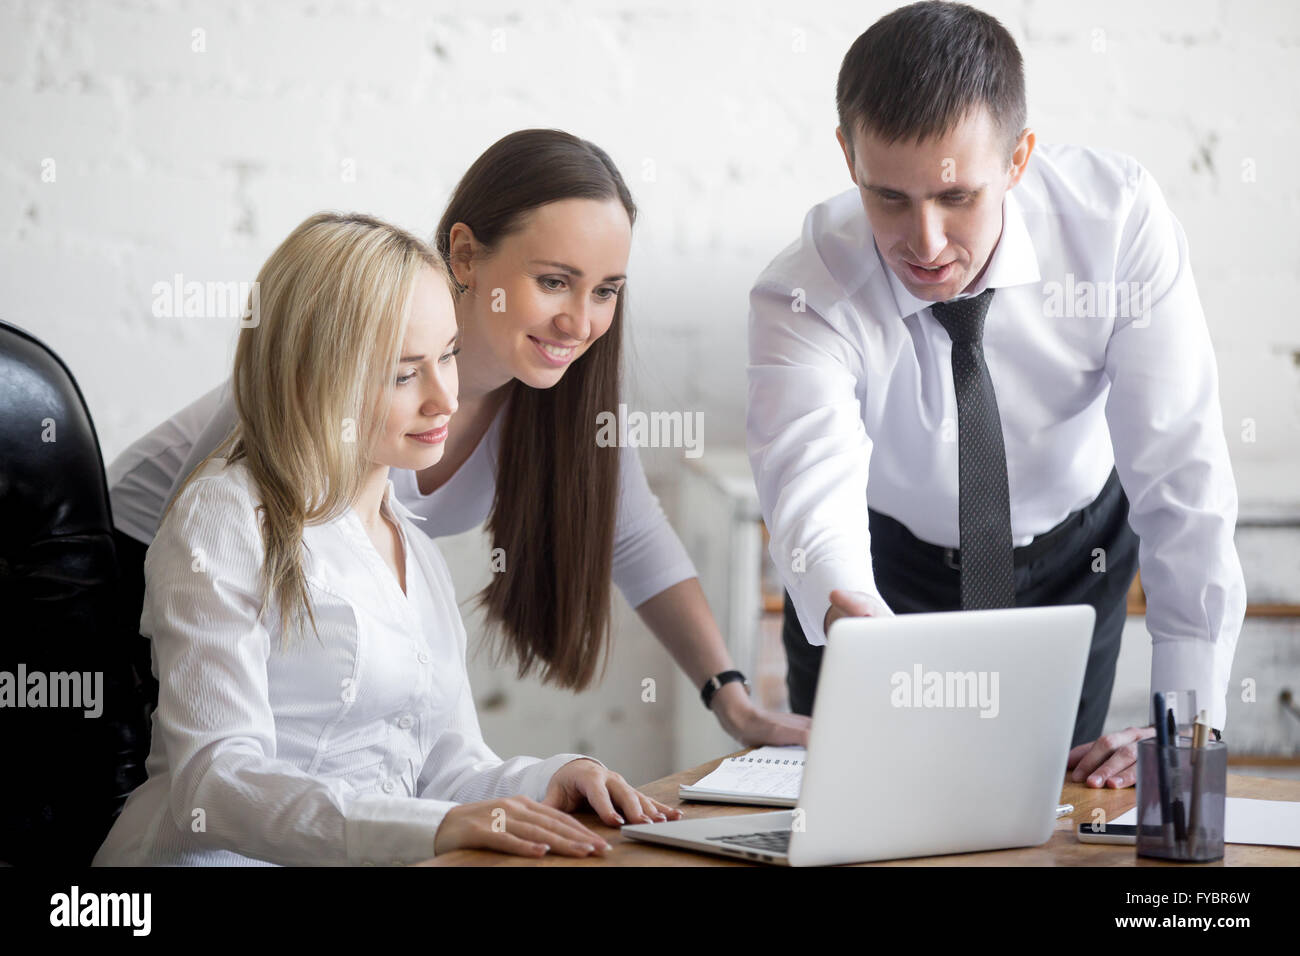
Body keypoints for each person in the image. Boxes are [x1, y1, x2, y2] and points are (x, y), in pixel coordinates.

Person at [109, 130, 808, 748]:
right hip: (121, 574)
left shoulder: (555, 401)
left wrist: (734, 699)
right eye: (555, 281)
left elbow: (632, 539)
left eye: (604, 291)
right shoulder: (347, 353)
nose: (580, 322)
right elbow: (200, 528)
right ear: (466, 256)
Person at [746, 1, 1244, 788]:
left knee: (1039, 810)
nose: (927, 245)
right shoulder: (806, 289)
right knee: (862, 804)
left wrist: (1188, 721)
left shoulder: (1117, 225)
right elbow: (809, 493)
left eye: (956, 198)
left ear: (1018, 160)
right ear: (848, 156)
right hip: (884, 571)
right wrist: (863, 630)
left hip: (1074, 556)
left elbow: (1182, 476)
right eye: (891, 199)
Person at [93, 212, 680, 866]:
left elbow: (443, 768)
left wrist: (547, 780)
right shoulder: (225, 519)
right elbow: (216, 782)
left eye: (449, 356)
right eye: (404, 374)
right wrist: (428, 829)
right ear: (312, 378)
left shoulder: (413, 548)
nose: (444, 400)